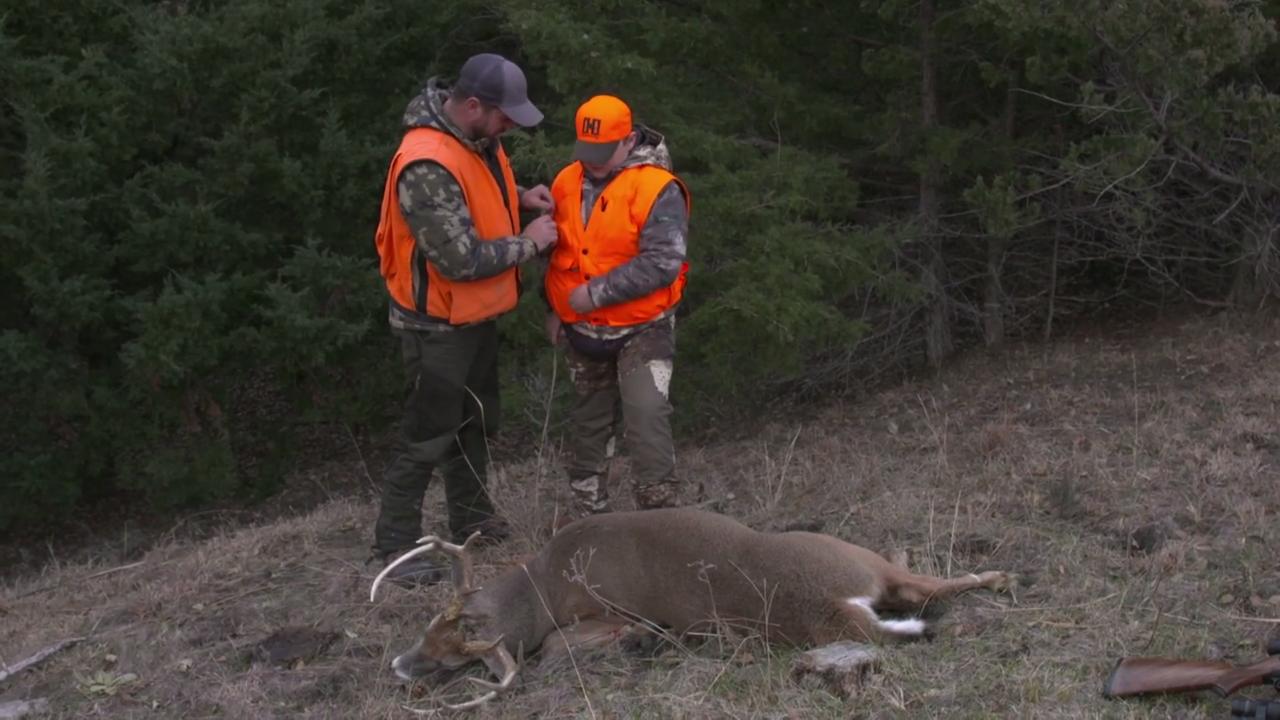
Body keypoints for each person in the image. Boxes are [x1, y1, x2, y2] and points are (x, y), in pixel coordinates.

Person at [370, 53, 558, 586]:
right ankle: (395, 547)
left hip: (472, 317)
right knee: (427, 435)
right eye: (504, 116)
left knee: (473, 421)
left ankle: (472, 519)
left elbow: (473, 195)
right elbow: (458, 259)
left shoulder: (474, 138)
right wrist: (530, 243)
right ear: (473, 105)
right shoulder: (424, 163)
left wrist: (519, 199)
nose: (510, 126)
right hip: (436, 327)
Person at [543, 94, 690, 516]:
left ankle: (660, 522)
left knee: (646, 418)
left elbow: (662, 263)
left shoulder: (657, 188)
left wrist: (597, 293)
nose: (593, 162)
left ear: (628, 141)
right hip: (581, 331)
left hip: (643, 327)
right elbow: (561, 253)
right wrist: (554, 305)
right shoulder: (566, 181)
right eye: (586, 152)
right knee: (588, 426)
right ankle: (589, 523)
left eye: (604, 152)